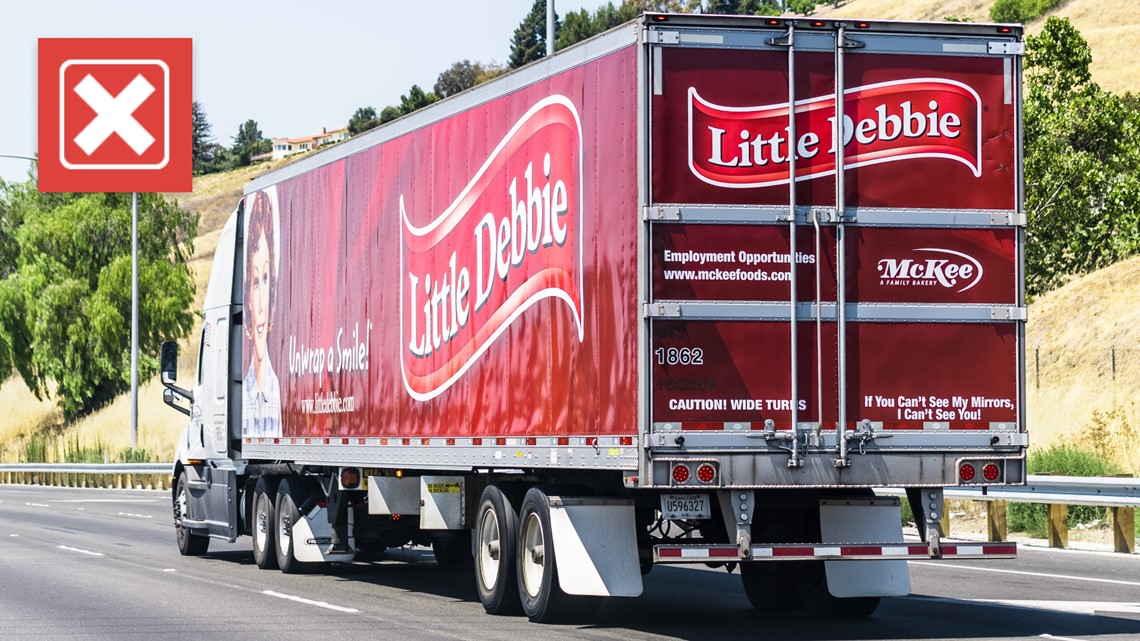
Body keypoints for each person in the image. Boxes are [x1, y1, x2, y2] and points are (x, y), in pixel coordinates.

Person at [242, 190, 282, 437]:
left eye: (265, 280)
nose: (259, 304)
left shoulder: (276, 392)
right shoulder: (242, 396)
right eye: (255, 282)